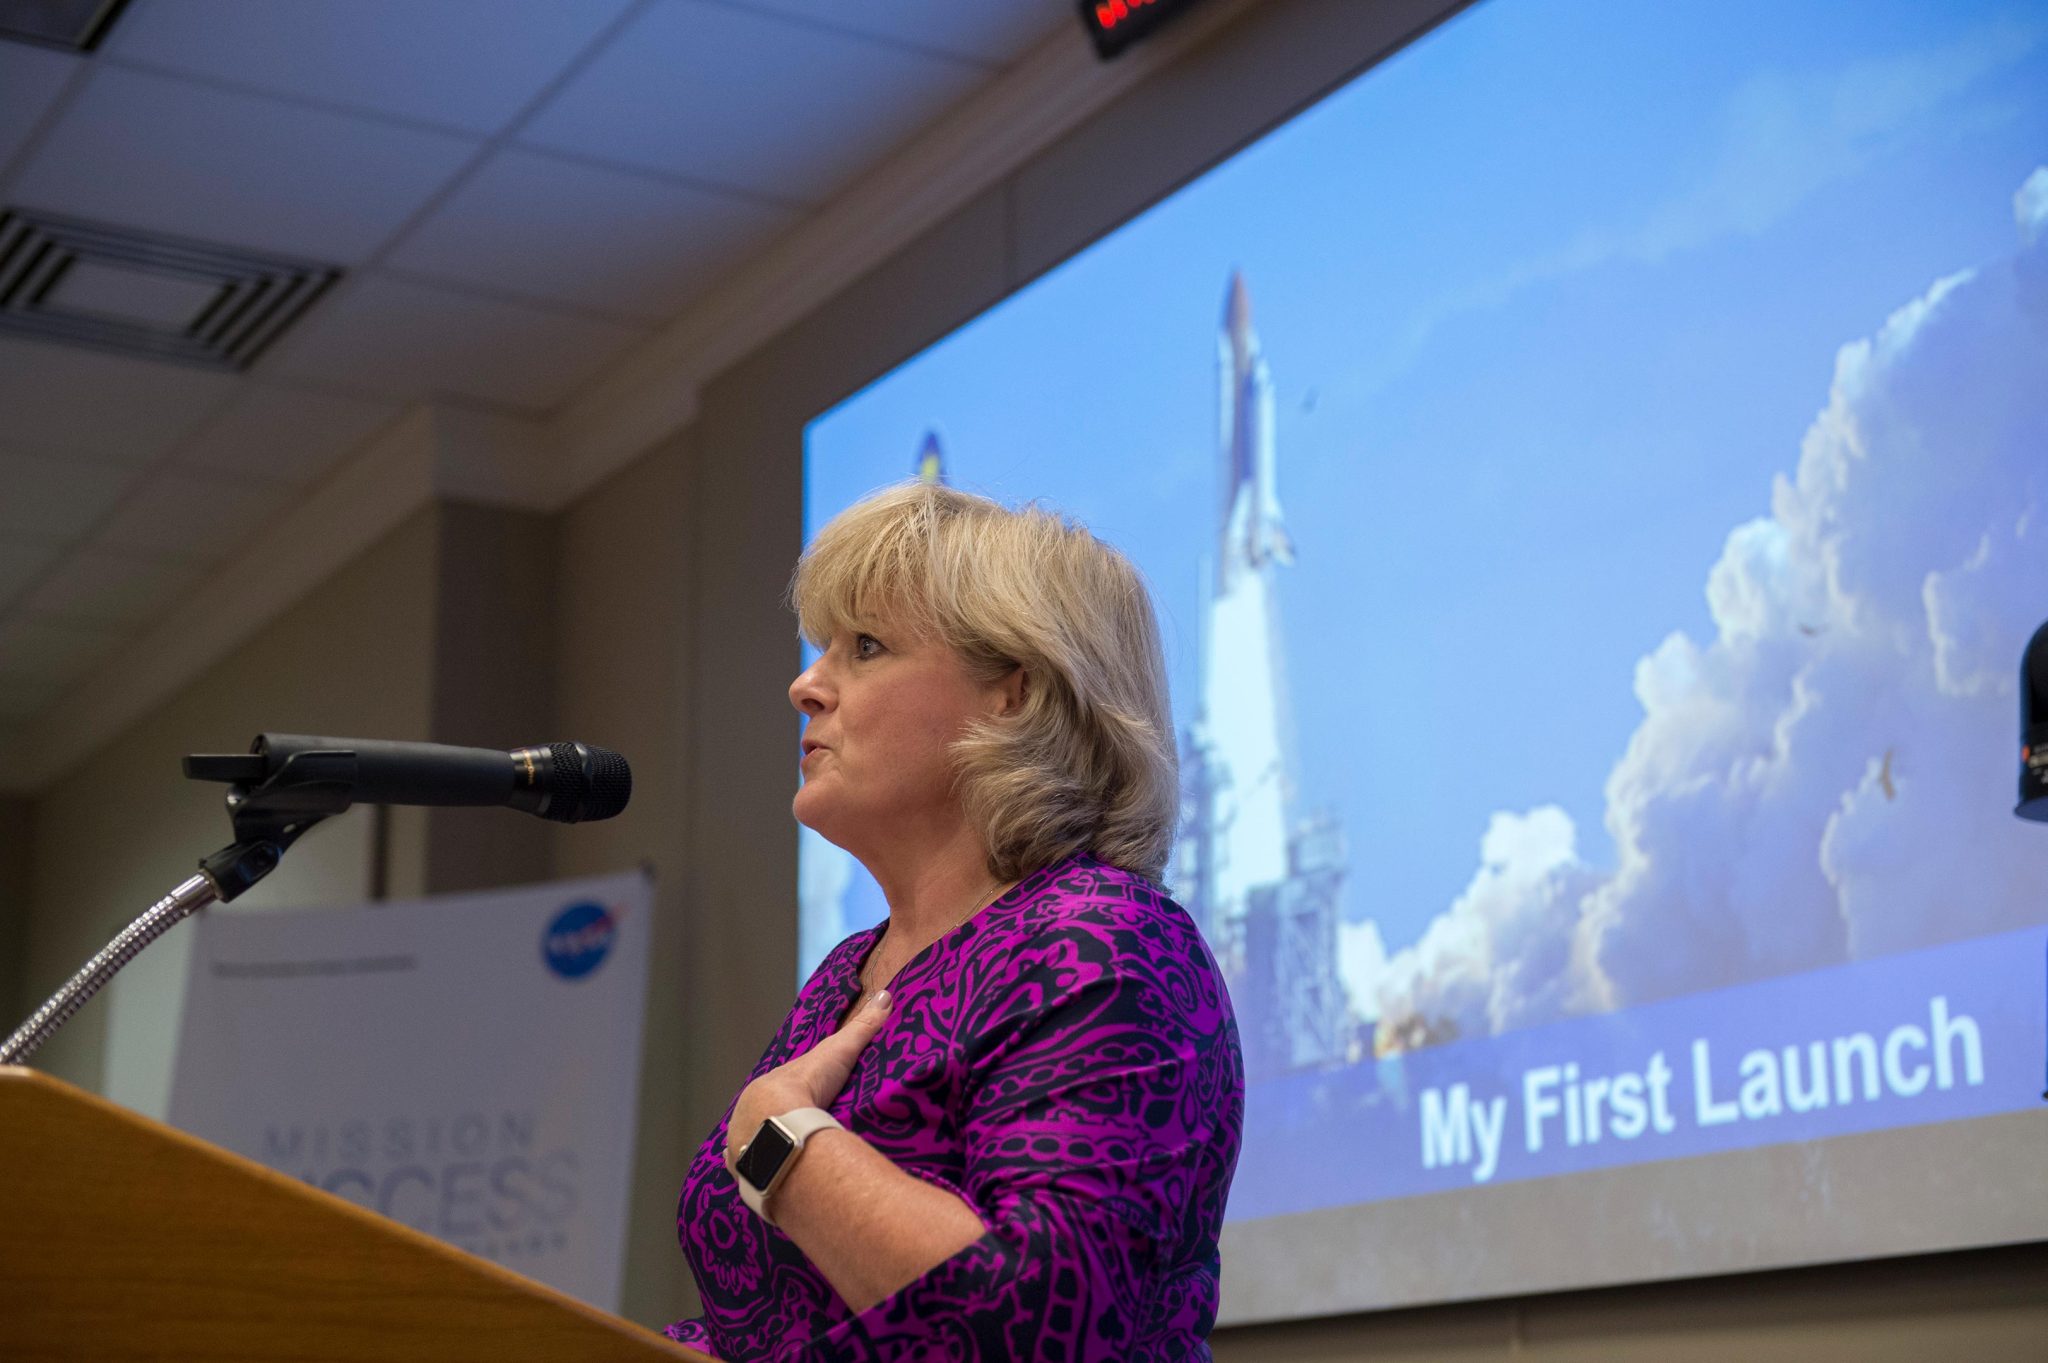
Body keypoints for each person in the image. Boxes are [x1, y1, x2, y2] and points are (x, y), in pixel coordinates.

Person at [665, 482, 1243, 1362]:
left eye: (865, 646)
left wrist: (782, 1141)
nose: (805, 686)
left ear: (1013, 692)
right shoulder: (845, 976)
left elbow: (1035, 1317)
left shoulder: (1103, 941)